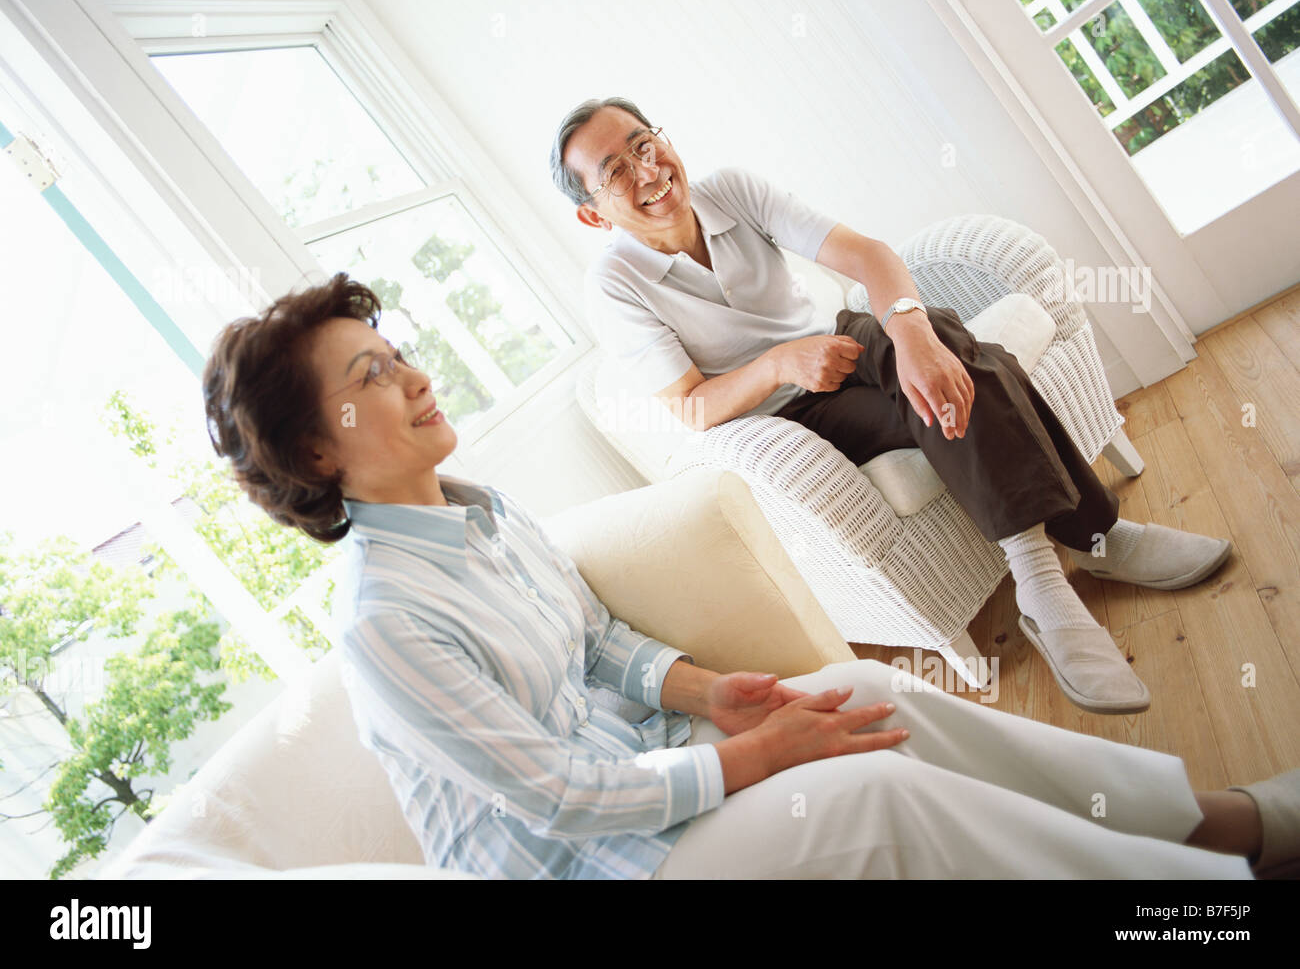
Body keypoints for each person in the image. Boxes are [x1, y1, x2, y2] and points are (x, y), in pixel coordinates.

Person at [200, 274, 1298, 880]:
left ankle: (1205, 823)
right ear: (311, 454)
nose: (416, 379)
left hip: (652, 783)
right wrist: (756, 756)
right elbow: (558, 798)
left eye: (394, 356)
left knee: (870, 694)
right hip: (602, 868)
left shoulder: (484, 515)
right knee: (867, 790)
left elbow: (596, 647)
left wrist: (707, 693)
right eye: (372, 378)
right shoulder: (385, 626)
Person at [551, 96, 1233, 716]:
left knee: (939, 341)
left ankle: (1045, 580)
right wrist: (779, 363)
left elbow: (867, 255)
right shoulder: (613, 287)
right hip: (793, 412)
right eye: (615, 170)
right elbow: (693, 408)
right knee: (972, 364)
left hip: (849, 337)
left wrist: (914, 335)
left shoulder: (731, 190)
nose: (648, 170)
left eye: (645, 143)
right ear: (592, 211)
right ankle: (1094, 542)